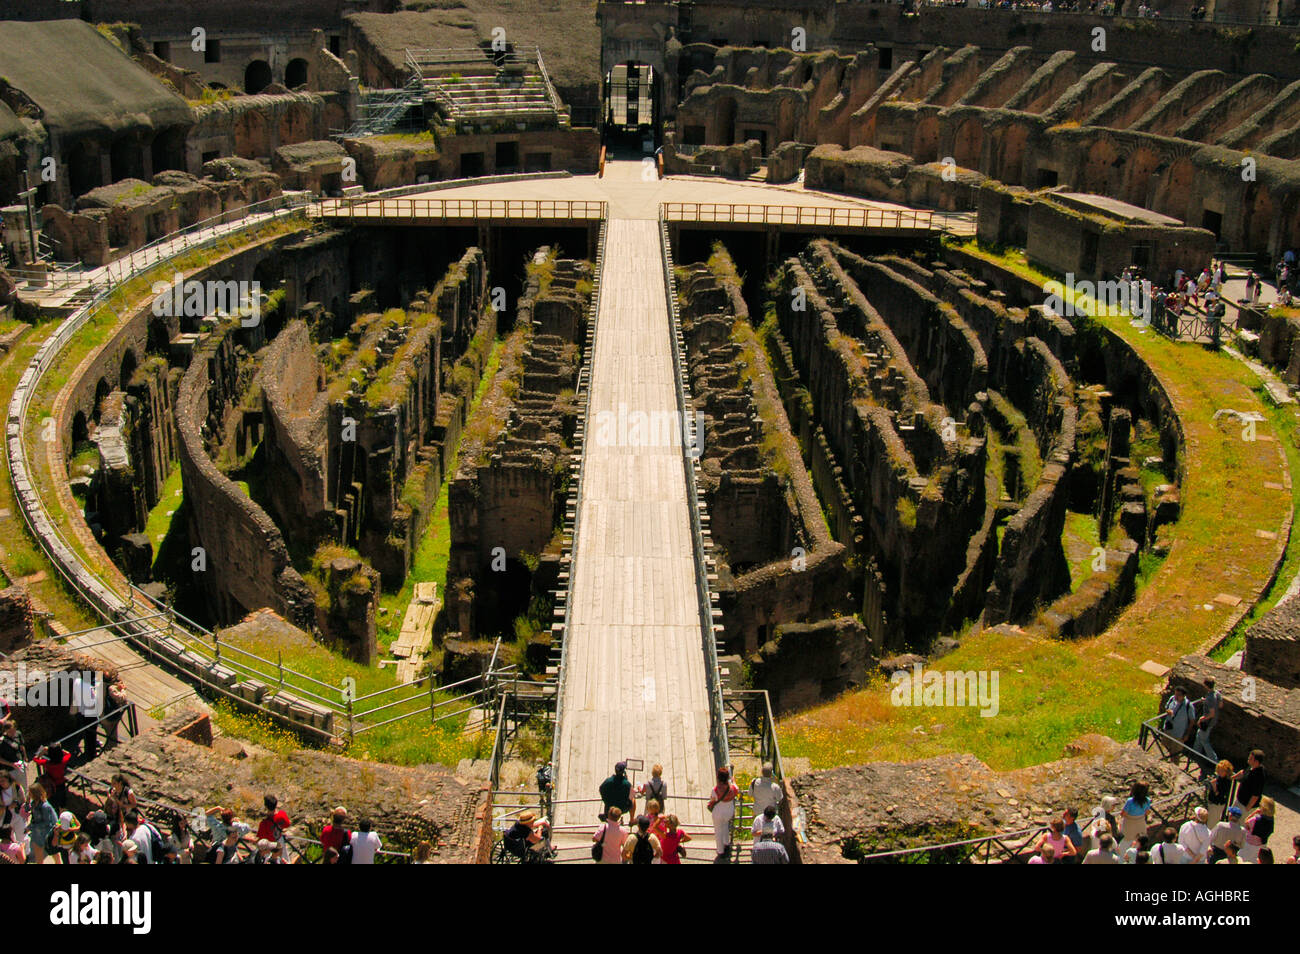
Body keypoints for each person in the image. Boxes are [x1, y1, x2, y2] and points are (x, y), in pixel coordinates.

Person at [706, 766, 739, 861]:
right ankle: (726, 843)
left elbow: (713, 799)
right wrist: (733, 781)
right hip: (729, 811)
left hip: (718, 812)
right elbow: (737, 789)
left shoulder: (716, 789)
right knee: (725, 826)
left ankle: (720, 851)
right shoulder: (732, 788)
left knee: (718, 831)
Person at [69, 670, 101, 760]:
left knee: (82, 730)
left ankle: (76, 747)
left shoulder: (78, 682)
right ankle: (91, 755)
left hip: (80, 711)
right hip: (90, 715)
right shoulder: (90, 688)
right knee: (91, 734)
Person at [1190, 678, 1221, 767]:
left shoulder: (1210, 698)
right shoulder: (1217, 694)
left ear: (1206, 686)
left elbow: (1211, 714)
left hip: (1207, 723)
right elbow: (1220, 705)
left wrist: (1201, 719)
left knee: (1204, 741)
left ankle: (1215, 761)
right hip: (1212, 722)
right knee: (1199, 736)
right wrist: (1206, 701)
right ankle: (1195, 753)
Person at [33, 743, 72, 809]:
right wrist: (59, 749)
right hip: (61, 784)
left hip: (51, 786)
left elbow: (35, 759)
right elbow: (68, 754)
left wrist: (43, 751)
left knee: (53, 804)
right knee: (62, 803)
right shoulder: (63, 761)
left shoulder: (47, 763)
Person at [26, 781, 56, 864]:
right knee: (39, 857)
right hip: (37, 834)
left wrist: (32, 827)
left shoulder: (45, 806)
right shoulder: (33, 804)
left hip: (47, 834)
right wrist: (27, 801)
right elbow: (26, 810)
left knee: (55, 855)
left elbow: (47, 822)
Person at [256, 794, 292, 863]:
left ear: (266, 806)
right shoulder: (282, 815)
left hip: (269, 846)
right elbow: (287, 824)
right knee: (285, 860)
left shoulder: (264, 823)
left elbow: (261, 838)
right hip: (279, 841)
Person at [1240, 796, 1274, 863]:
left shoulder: (1255, 820)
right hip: (1261, 846)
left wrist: (1254, 813)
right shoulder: (1271, 821)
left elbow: (1246, 821)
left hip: (1249, 845)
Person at [1120, 782, 1151, 851]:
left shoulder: (1130, 801)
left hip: (1129, 823)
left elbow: (1123, 813)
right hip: (1141, 822)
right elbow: (1147, 812)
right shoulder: (1148, 801)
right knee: (1140, 841)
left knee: (1128, 841)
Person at [1207, 759, 1233, 824]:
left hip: (1217, 804)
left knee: (1212, 822)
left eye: (1221, 770)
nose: (1219, 772)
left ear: (1226, 771)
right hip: (1212, 801)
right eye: (1218, 770)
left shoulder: (1226, 782)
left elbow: (1219, 794)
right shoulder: (1220, 777)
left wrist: (1214, 785)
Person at [0, 719, 26, 784]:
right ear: (5, 731)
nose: (13, 733)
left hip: (20, 765)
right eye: (10, 731)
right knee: (14, 788)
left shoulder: (18, 734)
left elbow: (22, 746)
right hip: (10, 769)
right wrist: (11, 764)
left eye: (14, 730)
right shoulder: (1, 742)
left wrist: (25, 757)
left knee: (24, 786)